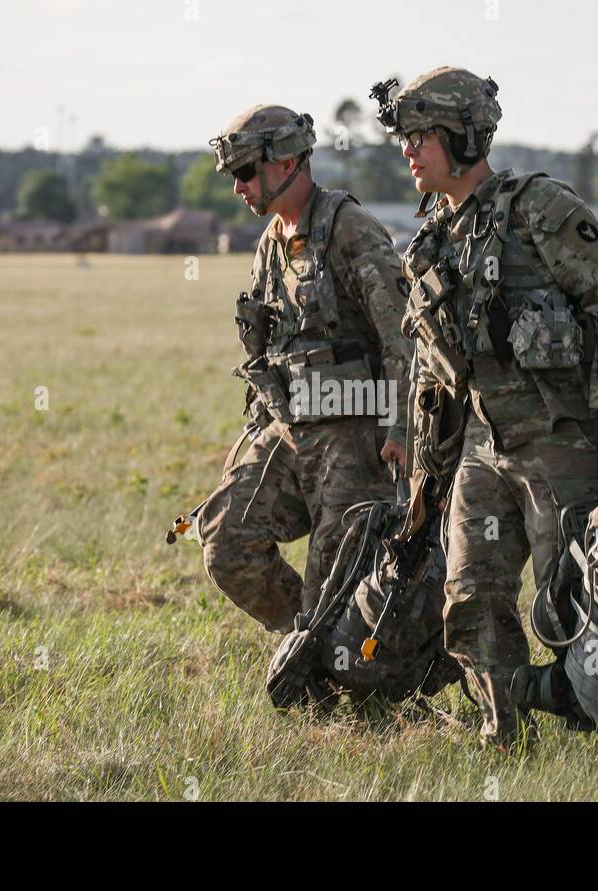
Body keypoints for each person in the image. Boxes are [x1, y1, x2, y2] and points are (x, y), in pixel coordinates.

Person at [373, 68, 598, 749]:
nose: (409, 152)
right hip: (479, 443)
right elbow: (429, 366)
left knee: (577, 592)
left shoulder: (539, 208)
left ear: (464, 137)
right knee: (471, 591)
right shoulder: (431, 240)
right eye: (405, 139)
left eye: (422, 138)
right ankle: (504, 728)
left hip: (559, 438)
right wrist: (417, 455)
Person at [196, 104, 413, 635]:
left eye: (246, 171)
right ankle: (310, 645)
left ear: (288, 160)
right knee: (225, 541)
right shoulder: (271, 243)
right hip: (291, 433)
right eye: (233, 176)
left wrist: (403, 430)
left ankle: (340, 664)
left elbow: (404, 337)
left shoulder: (350, 229)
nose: (239, 187)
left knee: (335, 586)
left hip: (357, 442)